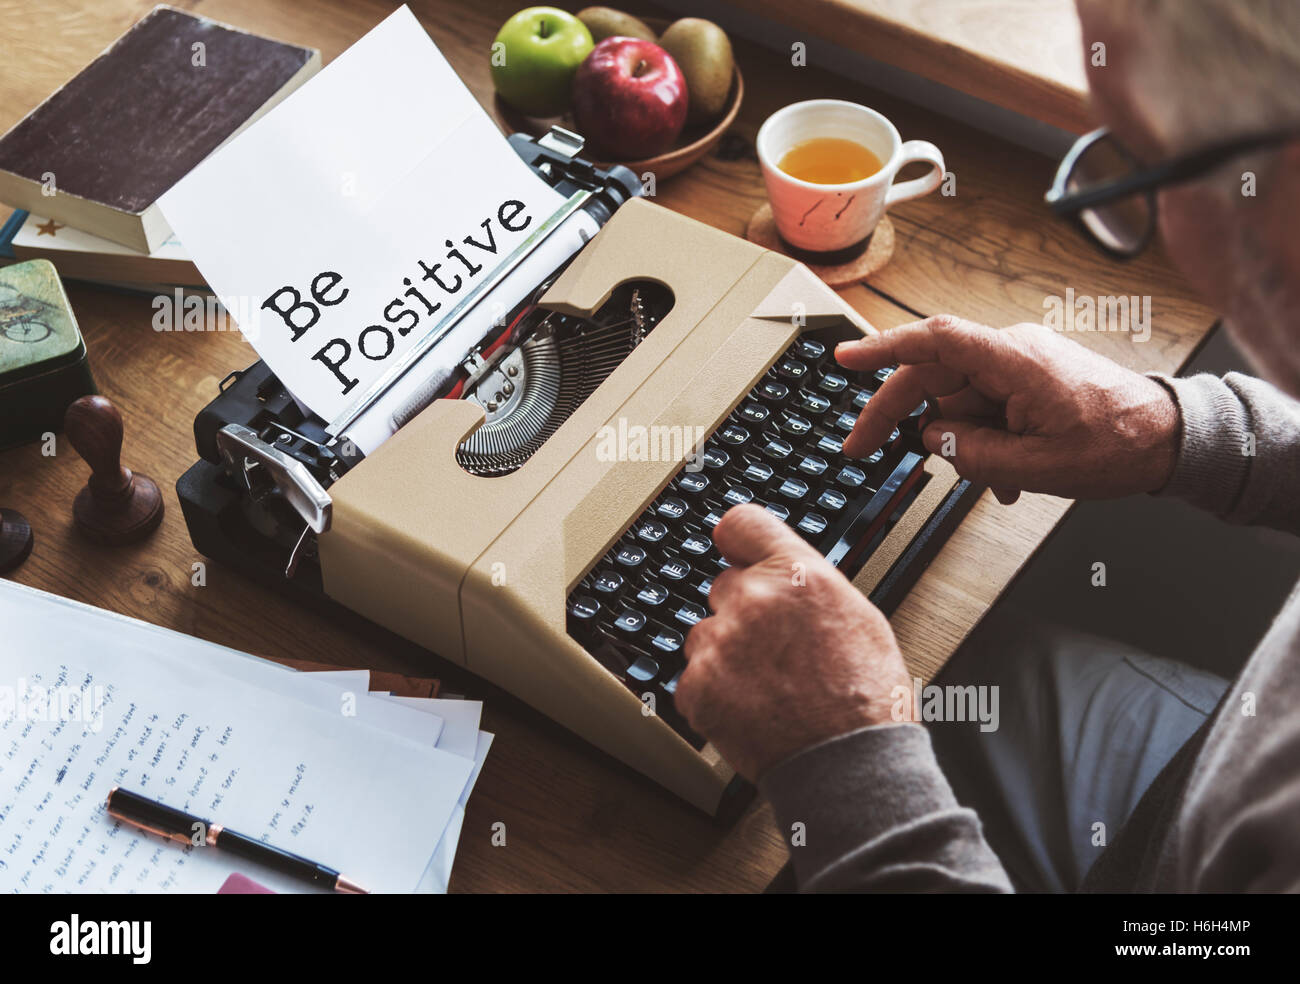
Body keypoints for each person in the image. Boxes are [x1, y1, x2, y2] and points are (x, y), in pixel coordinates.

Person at [673, 0, 1300, 892]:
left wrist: (846, 759)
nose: (1160, 226)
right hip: (1210, 764)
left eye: (1144, 162)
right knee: (988, 665)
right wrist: (1176, 429)